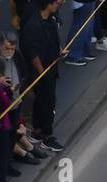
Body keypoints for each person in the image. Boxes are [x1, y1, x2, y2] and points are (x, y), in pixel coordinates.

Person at [21, 0, 65, 151]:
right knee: (45, 102)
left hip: (51, 69)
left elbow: (54, 40)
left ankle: (39, 130)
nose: (58, 5)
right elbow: (32, 52)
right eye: (56, 4)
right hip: (41, 72)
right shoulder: (33, 26)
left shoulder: (51, 21)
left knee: (48, 100)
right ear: (48, 4)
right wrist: (42, 72)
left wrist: (60, 51)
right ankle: (45, 135)